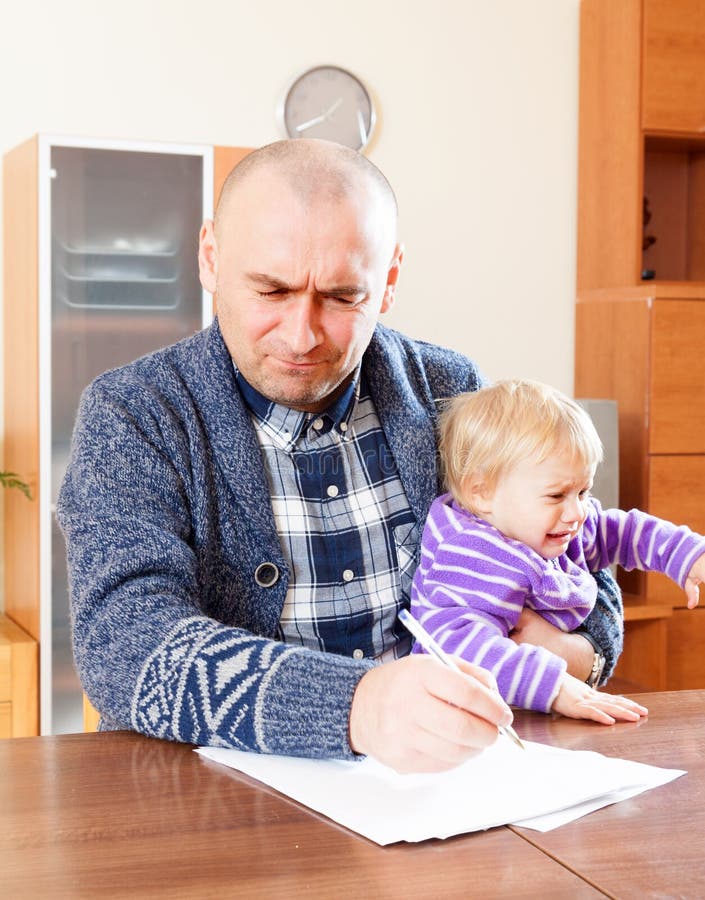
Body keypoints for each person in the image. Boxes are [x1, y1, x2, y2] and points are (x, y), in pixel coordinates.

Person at [57, 139, 623, 774]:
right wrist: (356, 706)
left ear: (389, 281)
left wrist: (581, 652)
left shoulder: (449, 388)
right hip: (213, 792)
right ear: (211, 257)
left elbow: (576, 548)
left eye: (342, 296)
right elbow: (124, 641)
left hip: (438, 783)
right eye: (271, 290)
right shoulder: (134, 413)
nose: (301, 336)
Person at [410, 379, 705, 723]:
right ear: (481, 492)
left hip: (539, 708)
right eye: (556, 495)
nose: (577, 512)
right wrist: (556, 686)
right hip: (475, 720)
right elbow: (458, 650)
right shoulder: (470, 555)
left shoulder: (555, 522)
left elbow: (622, 531)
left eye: (583, 492)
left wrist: (688, 555)